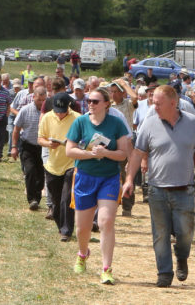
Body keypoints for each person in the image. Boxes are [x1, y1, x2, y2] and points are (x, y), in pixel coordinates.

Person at [123, 85, 195, 288]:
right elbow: (137, 153)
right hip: (157, 189)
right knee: (160, 233)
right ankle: (164, 272)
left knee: (185, 232)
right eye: (153, 102)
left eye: (158, 103)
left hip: (185, 188)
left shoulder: (192, 122)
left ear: (174, 103)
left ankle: (181, 256)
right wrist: (129, 180)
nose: (154, 106)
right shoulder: (149, 122)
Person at [65, 87, 132, 285]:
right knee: (82, 228)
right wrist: (90, 154)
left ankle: (106, 269)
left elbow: (123, 154)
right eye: (89, 101)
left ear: (106, 104)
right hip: (84, 177)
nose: (90, 104)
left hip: (109, 178)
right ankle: (83, 253)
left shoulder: (116, 123)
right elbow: (69, 150)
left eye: (95, 101)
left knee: (106, 221)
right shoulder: (80, 122)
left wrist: (106, 153)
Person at [37, 91, 80, 241]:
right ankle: (61, 225)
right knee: (55, 202)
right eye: (57, 111)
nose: (60, 114)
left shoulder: (78, 119)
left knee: (66, 199)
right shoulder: (47, 117)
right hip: (53, 165)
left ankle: (66, 231)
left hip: (71, 164)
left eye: (63, 111)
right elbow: (40, 138)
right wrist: (49, 143)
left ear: (69, 106)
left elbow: (84, 140)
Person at [12, 86, 46, 210]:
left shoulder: (49, 112)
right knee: (30, 171)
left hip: (43, 148)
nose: (41, 103)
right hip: (28, 146)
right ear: (33, 97)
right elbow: (16, 130)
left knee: (41, 175)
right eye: (39, 100)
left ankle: (37, 197)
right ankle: (32, 199)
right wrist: (14, 147)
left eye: (44, 100)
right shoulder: (25, 110)